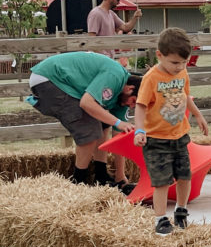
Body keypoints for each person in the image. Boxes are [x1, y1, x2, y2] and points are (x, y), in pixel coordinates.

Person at [133, 28, 209, 235]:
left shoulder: (182, 72)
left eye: (184, 62)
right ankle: (160, 219)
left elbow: (186, 96)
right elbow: (140, 106)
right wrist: (139, 130)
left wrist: (199, 116)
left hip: (179, 135)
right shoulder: (151, 78)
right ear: (160, 55)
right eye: (175, 63)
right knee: (162, 181)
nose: (180, 67)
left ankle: (181, 211)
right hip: (156, 140)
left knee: (185, 176)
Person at [28, 49, 140, 188]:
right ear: (129, 89)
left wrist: (120, 175)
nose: (132, 106)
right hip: (50, 78)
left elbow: (119, 137)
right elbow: (86, 103)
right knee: (89, 129)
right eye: (134, 101)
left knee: (103, 124)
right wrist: (118, 122)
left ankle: (101, 176)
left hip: (60, 82)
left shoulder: (122, 99)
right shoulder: (115, 76)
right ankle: (78, 183)